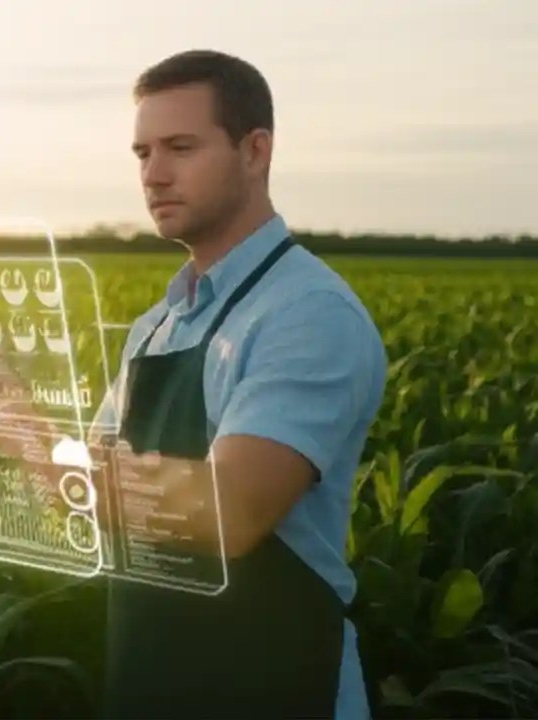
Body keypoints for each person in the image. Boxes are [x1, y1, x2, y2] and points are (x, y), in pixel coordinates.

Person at [90, 49, 388, 718]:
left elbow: (230, 513)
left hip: (279, 687)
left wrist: (67, 461)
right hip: (153, 682)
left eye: (181, 148)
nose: (154, 174)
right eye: (142, 153)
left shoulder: (309, 313)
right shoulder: (155, 326)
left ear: (256, 151)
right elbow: (87, 498)